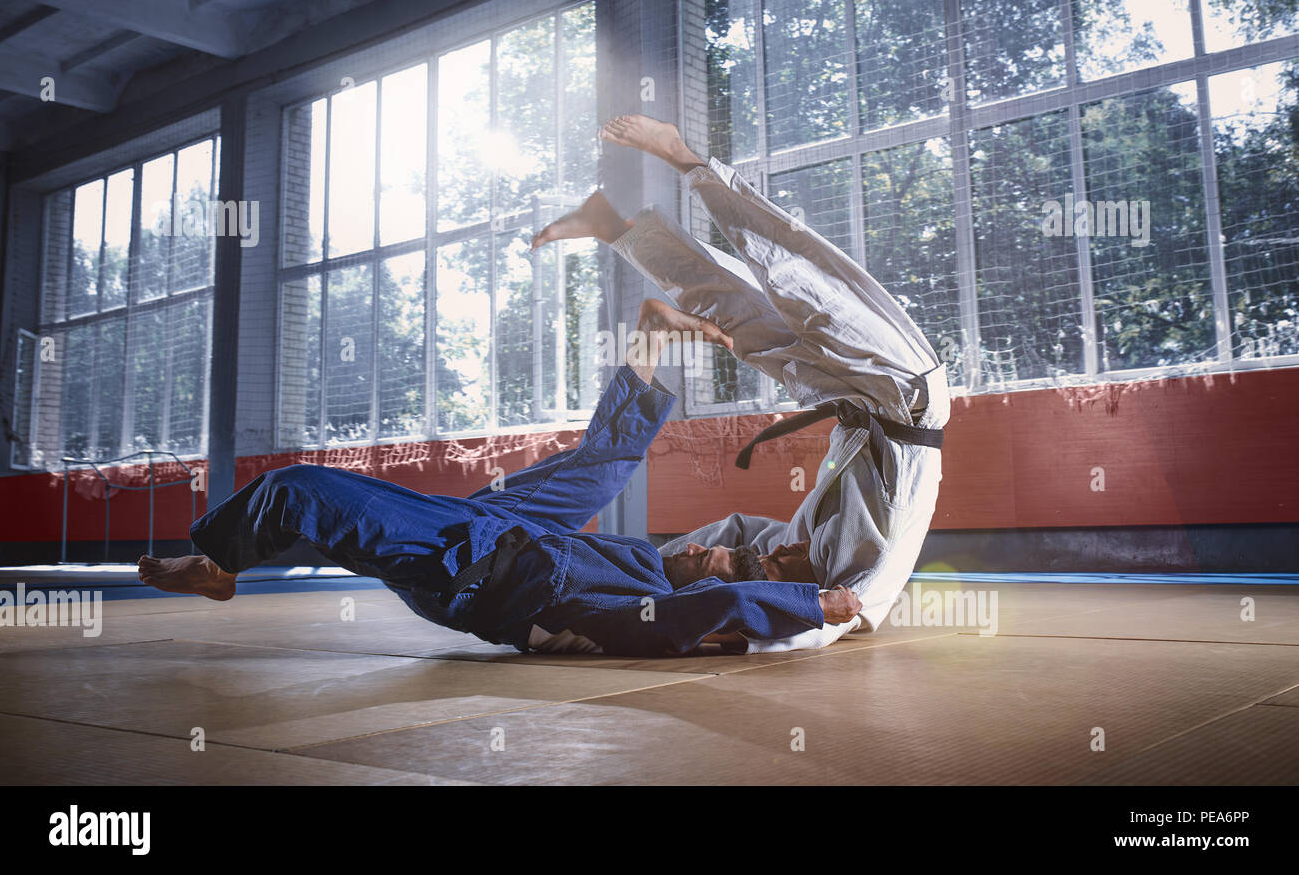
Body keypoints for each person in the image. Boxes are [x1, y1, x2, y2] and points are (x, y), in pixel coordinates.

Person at [137, 296, 863, 657]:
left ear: (717, 591)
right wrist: (786, 560)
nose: (705, 547)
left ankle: (218, 564)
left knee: (299, 488)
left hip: (472, 567)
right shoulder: (651, 561)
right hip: (519, 532)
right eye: (723, 548)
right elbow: (727, 559)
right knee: (604, 465)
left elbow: (700, 615)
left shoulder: (643, 607)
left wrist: (803, 603)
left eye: (721, 564)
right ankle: (650, 333)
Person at [532, 114, 950, 653]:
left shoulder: (775, 558)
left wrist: (640, 580)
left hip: (848, 401)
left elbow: (726, 536)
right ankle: (684, 156)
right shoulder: (845, 590)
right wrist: (719, 634)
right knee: (799, 276)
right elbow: (794, 633)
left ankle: (609, 224)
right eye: (773, 565)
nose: (778, 549)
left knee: (733, 313)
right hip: (904, 389)